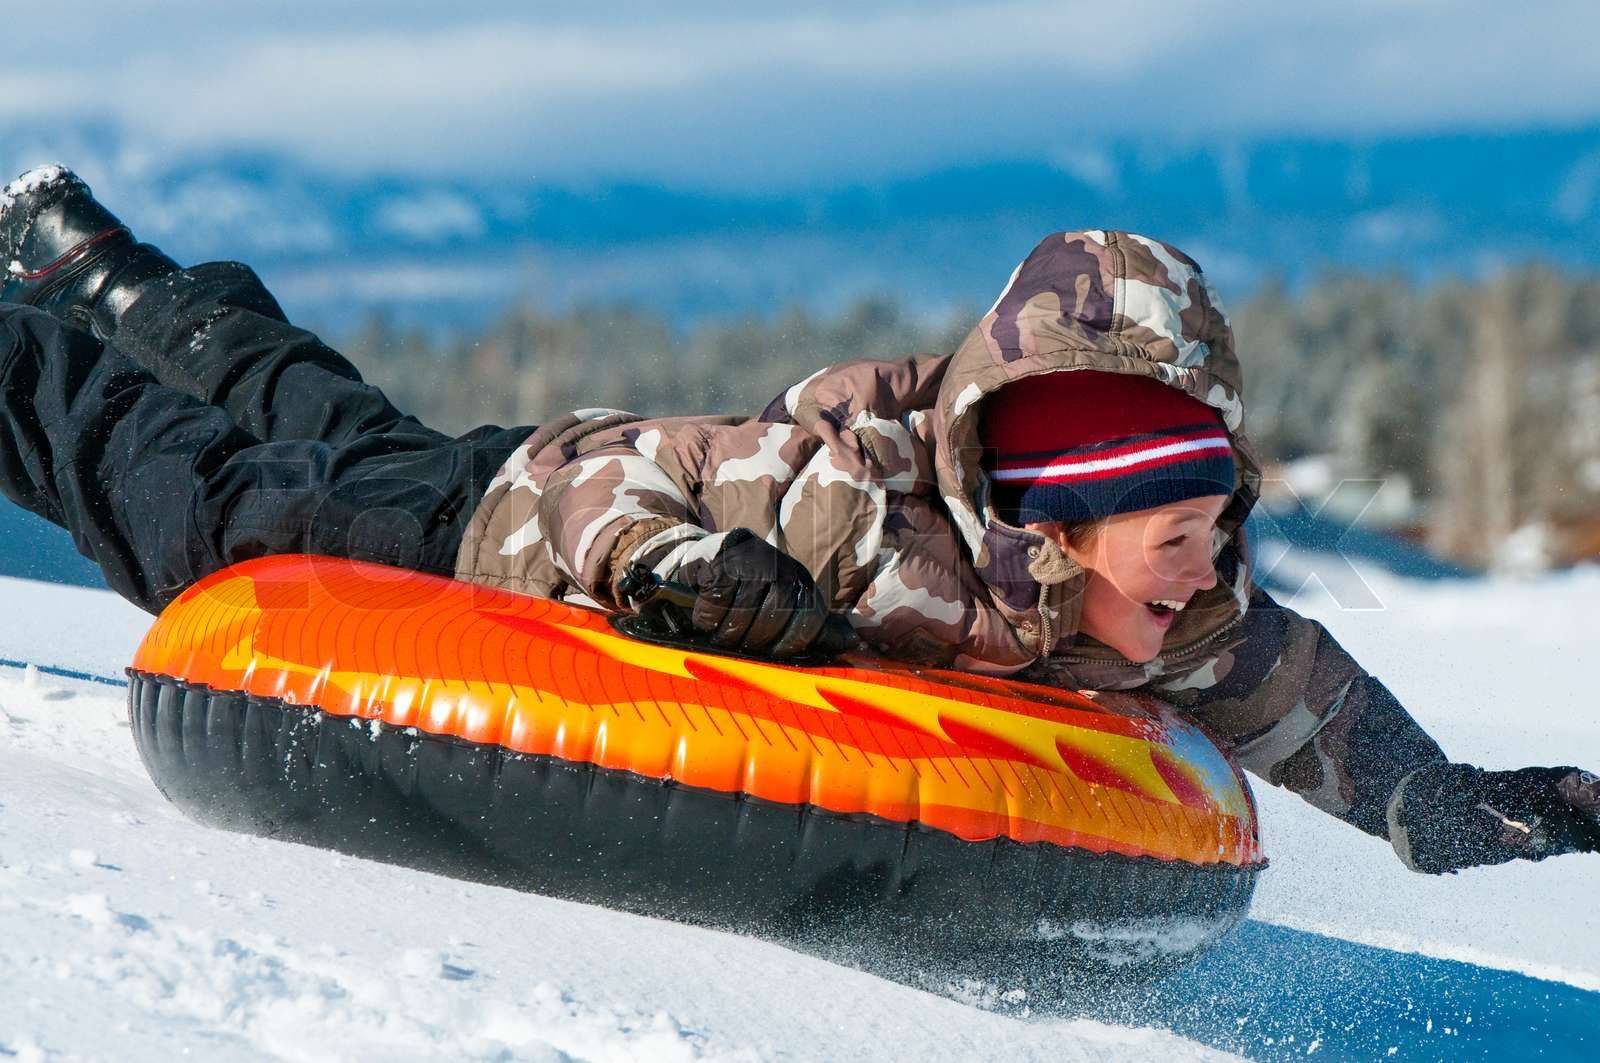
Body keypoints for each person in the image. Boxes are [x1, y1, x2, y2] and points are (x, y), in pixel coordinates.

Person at [2, 165, 1596, 876]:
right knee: (188, 498)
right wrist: (677, 564)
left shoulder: (1174, 605)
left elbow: (1304, 694)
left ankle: (99, 270)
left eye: (1213, 519)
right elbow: (595, 485)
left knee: (310, 405)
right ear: (1050, 523)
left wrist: (1430, 801)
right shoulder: (845, 496)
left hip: (488, 478)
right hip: (489, 530)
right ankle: (33, 354)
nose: (1205, 573)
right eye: (1170, 535)